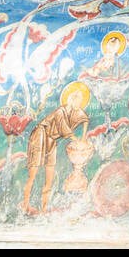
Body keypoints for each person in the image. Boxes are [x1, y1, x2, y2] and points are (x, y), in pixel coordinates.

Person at [22, 82, 90, 213]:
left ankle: (43, 209)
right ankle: (25, 206)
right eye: (78, 101)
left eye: (82, 101)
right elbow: (63, 128)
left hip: (51, 141)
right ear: (72, 100)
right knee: (33, 175)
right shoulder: (60, 111)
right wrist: (76, 139)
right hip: (40, 136)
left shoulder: (75, 112)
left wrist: (83, 138)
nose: (80, 104)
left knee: (50, 176)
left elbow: (85, 119)